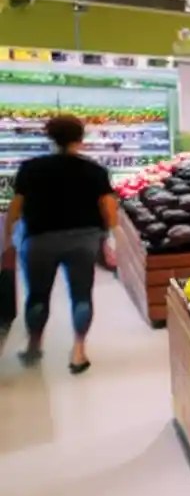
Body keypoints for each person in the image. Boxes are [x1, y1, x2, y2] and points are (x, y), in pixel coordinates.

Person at [2, 115, 117, 374]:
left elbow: (16, 208)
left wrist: (9, 237)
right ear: (80, 137)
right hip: (83, 240)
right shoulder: (94, 171)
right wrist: (106, 235)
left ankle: (33, 345)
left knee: (37, 295)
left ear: (50, 136)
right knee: (81, 296)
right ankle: (78, 351)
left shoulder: (30, 168)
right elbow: (109, 210)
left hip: (39, 239)